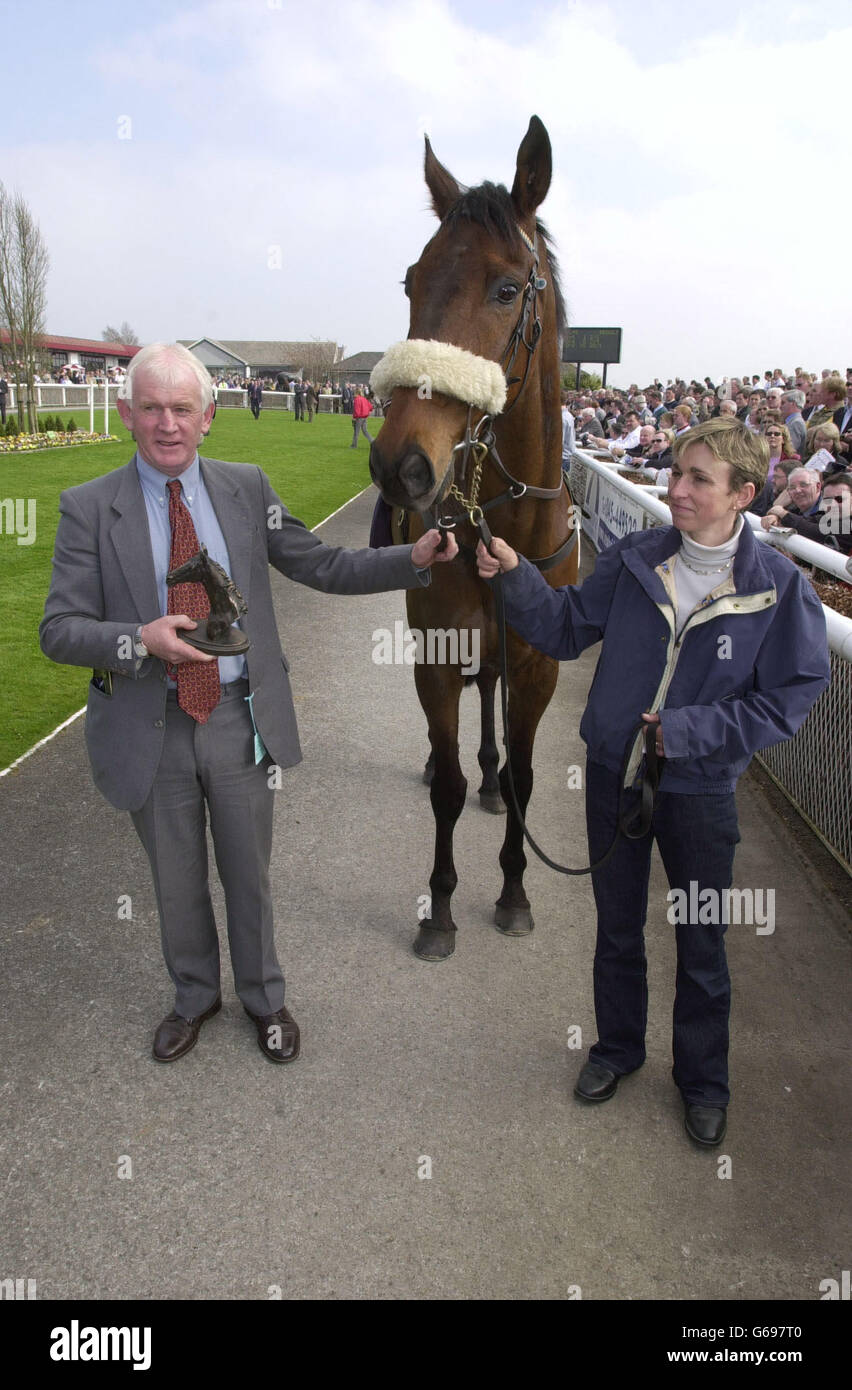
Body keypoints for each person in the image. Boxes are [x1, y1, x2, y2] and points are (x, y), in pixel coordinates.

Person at [39, 343, 458, 1065]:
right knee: (174, 881)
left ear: (207, 419)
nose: (166, 424)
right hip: (152, 724)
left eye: (181, 409)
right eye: (151, 408)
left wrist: (408, 560)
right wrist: (138, 639)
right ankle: (195, 996)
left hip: (239, 722)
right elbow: (59, 629)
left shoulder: (244, 489)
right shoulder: (87, 509)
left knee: (247, 874)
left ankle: (265, 998)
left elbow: (319, 563)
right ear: (124, 414)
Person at [475, 418, 829, 1147]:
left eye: (699, 479)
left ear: (744, 494)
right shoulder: (637, 557)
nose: (678, 490)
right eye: (676, 473)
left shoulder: (780, 589)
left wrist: (689, 732)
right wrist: (515, 574)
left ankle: (702, 1082)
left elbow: (786, 700)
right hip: (614, 776)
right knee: (616, 927)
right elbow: (568, 627)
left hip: (700, 794)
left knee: (701, 942)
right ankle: (617, 1049)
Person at [761, 470, 852, 555]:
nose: (833, 505)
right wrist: (777, 518)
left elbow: (816, 531)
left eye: (840, 499)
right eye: (828, 500)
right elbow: (806, 521)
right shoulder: (825, 517)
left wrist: (782, 513)